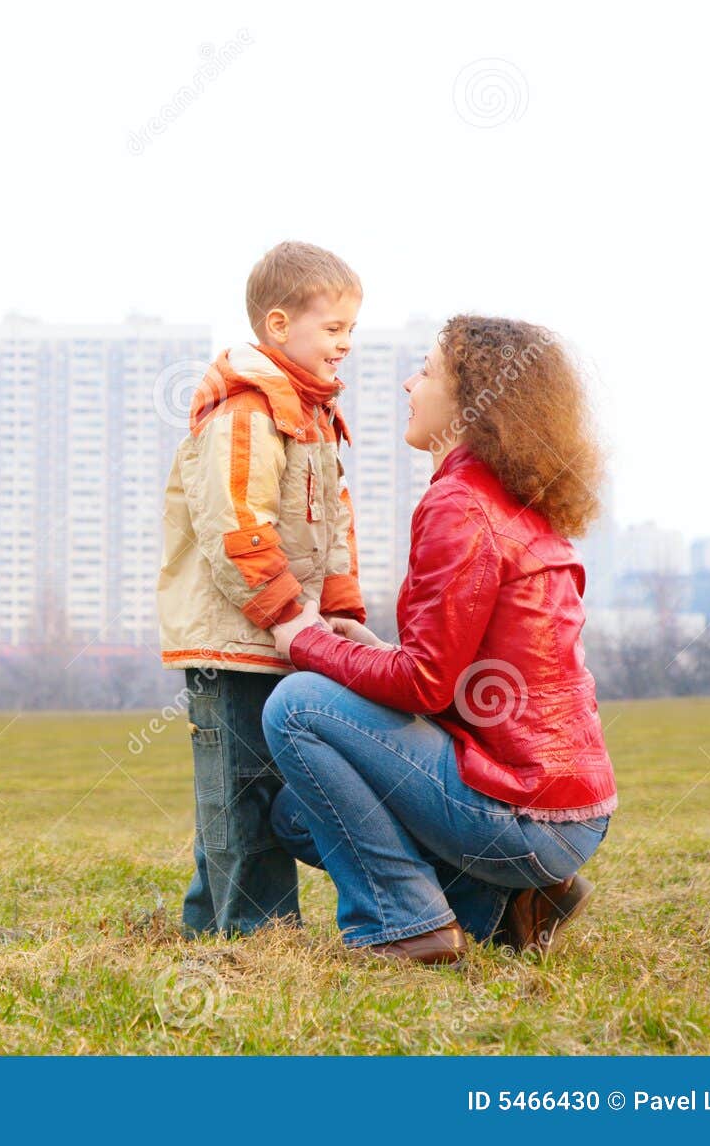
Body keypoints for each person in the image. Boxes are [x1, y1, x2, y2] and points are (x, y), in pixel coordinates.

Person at [261, 315, 617, 965]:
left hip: (525, 814)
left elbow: (425, 682)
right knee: (293, 813)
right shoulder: (514, 499)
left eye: (425, 370)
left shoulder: (460, 503)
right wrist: (368, 648)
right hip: (569, 812)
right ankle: (505, 906)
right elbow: (454, 668)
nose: (407, 383)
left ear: (471, 398)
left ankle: (407, 924)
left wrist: (305, 639)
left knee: (296, 705)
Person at [156, 240, 368, 936]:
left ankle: (201, 924)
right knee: (238, 789)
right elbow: (237, 527)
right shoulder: (247, 413)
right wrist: (283, 613)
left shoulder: (312, 415)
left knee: (250, 788)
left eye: (350, 331)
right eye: (333, 329)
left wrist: (338, 610)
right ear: (280, 326)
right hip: (235, 638)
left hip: (286, 634)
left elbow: (335, 522)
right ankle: (256, 935)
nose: (345, 345)